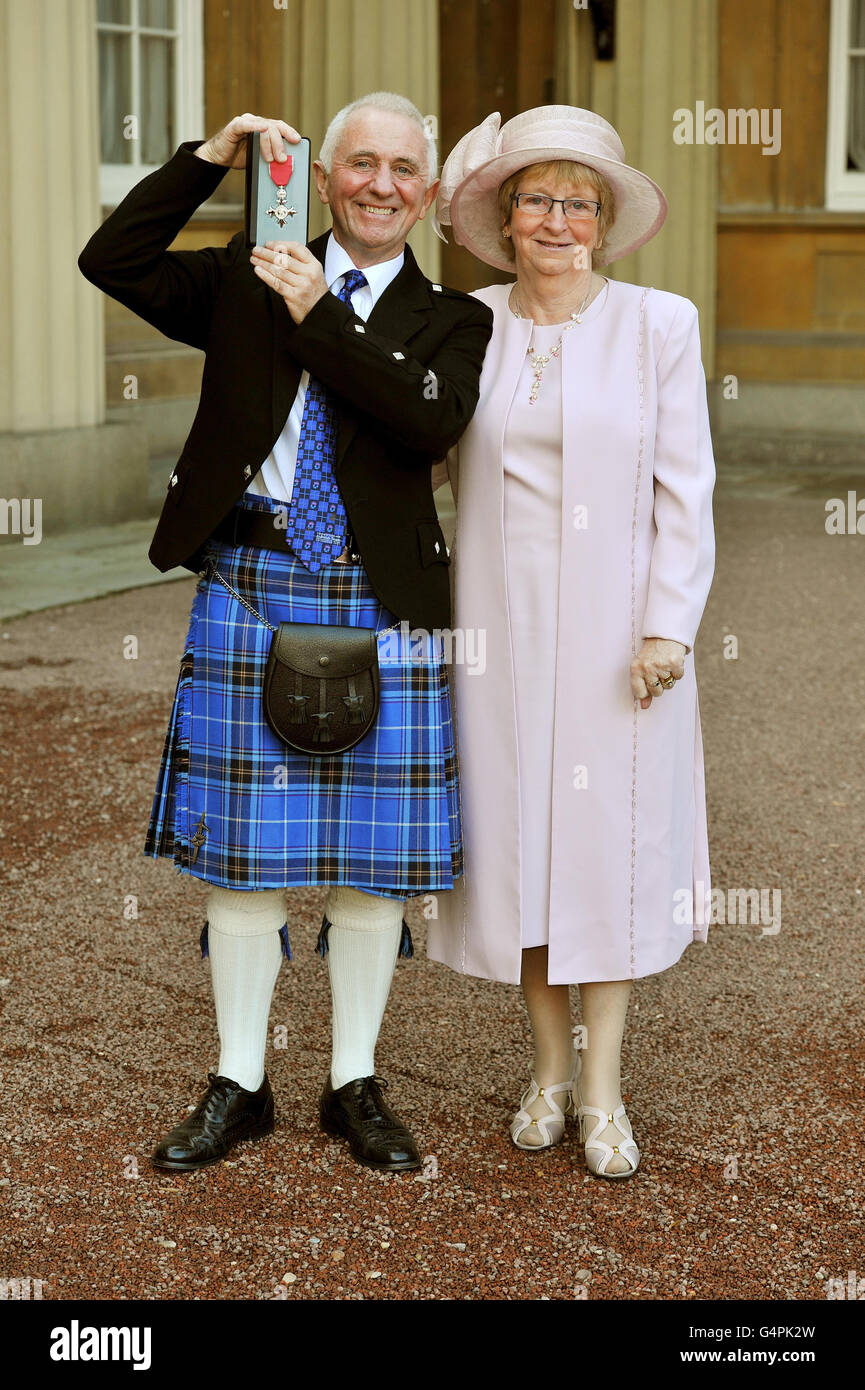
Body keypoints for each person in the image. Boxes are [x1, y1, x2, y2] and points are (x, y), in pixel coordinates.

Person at [77, 92, 493, 1174]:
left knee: (373, 864)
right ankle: (241, 1081)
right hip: (250, 580)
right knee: (244, 860)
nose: (382, 185)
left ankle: (353, 1079)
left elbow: (427, 417)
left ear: (431, 192)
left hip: (381, 596)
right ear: (324, 176)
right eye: (361, 164)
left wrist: (325, 316)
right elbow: (111, 258)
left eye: (405, 169)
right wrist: (207, 159)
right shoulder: (246, 275)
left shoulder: (457, 317)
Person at [428, 106, 715, 1178]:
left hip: (617, 637)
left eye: (578, 202)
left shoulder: (658, 325)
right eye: (537, 200)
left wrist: (666, 627)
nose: (558, 219)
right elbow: (420, 449)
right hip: (496, 636)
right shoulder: (470, 323)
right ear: (505, 220)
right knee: (521, 855)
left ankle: (602, 1089)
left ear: (603, 219)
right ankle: (546, 1069)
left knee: (606, 855)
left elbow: (685, 488)